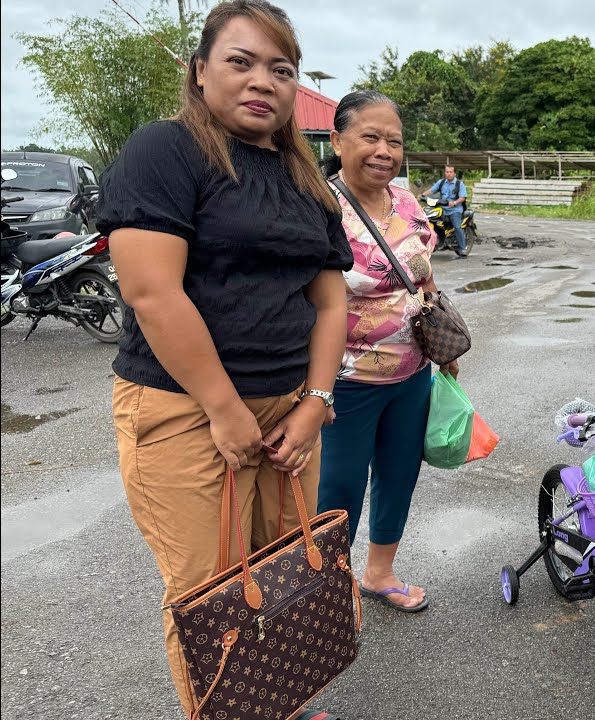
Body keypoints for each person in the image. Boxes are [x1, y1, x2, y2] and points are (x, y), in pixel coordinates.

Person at [99, 2, 352, 717]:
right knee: (213, 597)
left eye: (281, 68)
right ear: (200, 70)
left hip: (287, 412)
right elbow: (153, 294)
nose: (262, 81)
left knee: (285, 575)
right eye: (240, 62)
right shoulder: (166, 150)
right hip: (187, 411)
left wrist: (315, 403)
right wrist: (224, 408)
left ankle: (284, 702)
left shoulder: (306, 180)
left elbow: (332, 305)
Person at [318, 90, 459, 613]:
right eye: (369, 137)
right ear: (337, 140)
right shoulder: (319, 203)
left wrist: (439, 338)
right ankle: (330, 593)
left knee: (399, 473)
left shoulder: (405, 200)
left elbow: (421, 269)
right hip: (346, 378)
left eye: (393, 141)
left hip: (411, 373)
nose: (383, 151)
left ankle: (379, 572)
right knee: (339, 489)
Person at [428, 165, 470, 257]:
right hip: (442, 208)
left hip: (455, 210)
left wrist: (454, 203)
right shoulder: (441, 182)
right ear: (445, 173)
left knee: (457, 227)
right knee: (432, 221)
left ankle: (462, 248)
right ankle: (440, 242)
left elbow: (462, 197)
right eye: (447, 172)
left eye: (451, 172)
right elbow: (431, 191)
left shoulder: (459, 184)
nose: (449, 174)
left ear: (454, 173)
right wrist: (420, 196)